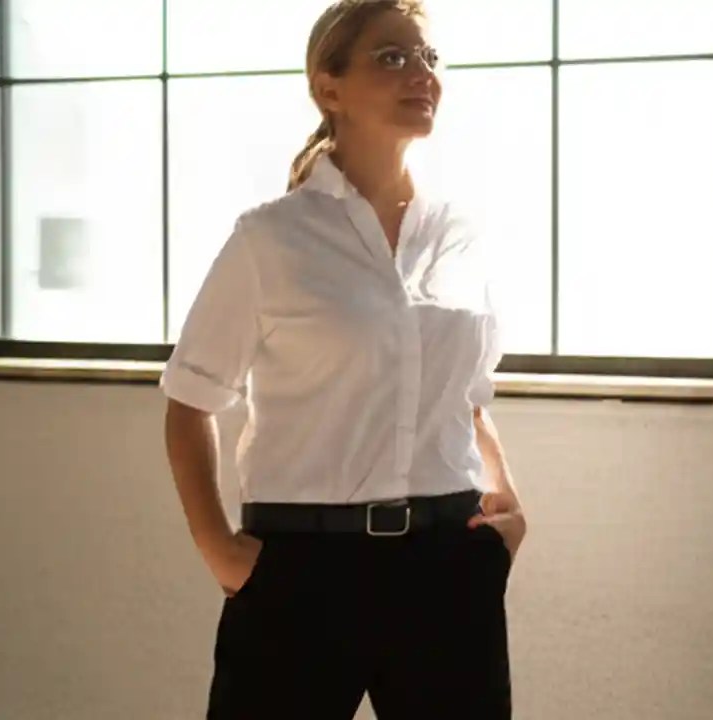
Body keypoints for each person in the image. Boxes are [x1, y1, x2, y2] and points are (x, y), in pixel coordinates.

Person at [160, 1, 526, 717]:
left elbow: (469, 396)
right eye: (391, 57)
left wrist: (508, 508)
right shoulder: (273, 238)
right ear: (328, 88)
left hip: (448, 562)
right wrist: (222, 554)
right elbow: (188, 403)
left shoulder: (462, 232)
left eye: (428, 58)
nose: (420, 73)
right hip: (300, 569)